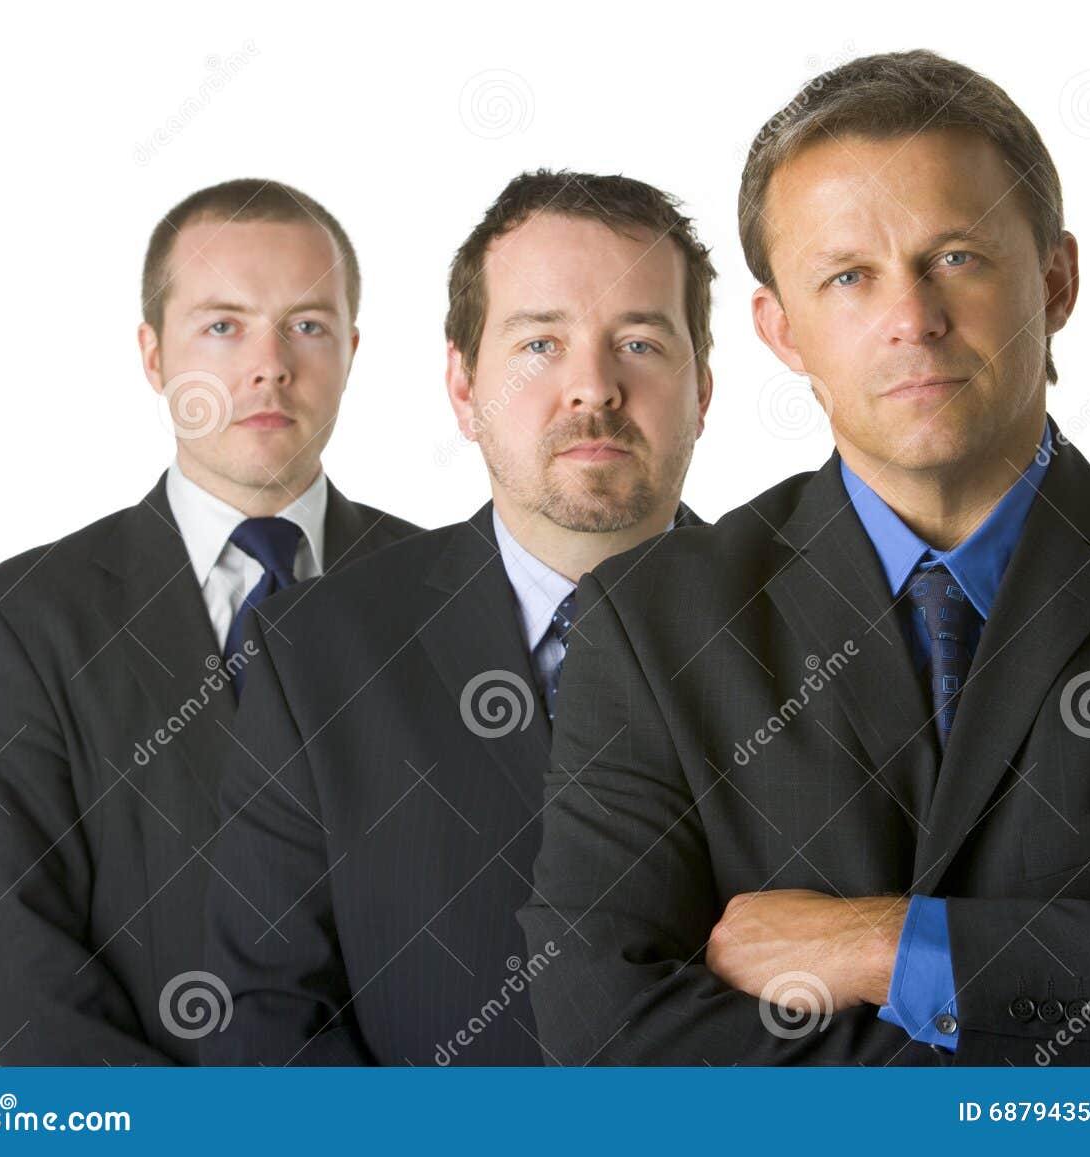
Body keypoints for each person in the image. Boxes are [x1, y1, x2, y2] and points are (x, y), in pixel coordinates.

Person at [519, 51, 1090, 1065]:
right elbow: (605, 1038)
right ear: (781, 331)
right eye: (848, 276)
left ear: (1056, 277)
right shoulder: (652, 620)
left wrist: (883, 944)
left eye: (955, 256)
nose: (912, 318)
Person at [202, 170, 714, 1064]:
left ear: (703, 384)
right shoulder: (314, 650)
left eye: (637, 341)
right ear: (462, 384)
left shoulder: (822, 628)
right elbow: (267, 1022)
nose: (590, 389)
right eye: (539, 345)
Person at [0, 179, 420, 1064]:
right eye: (222, 324)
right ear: (154, 354)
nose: (269, 363)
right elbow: (20, 964)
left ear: (352, 351)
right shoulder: (22, 620)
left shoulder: (448, 591)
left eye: (308, 325)